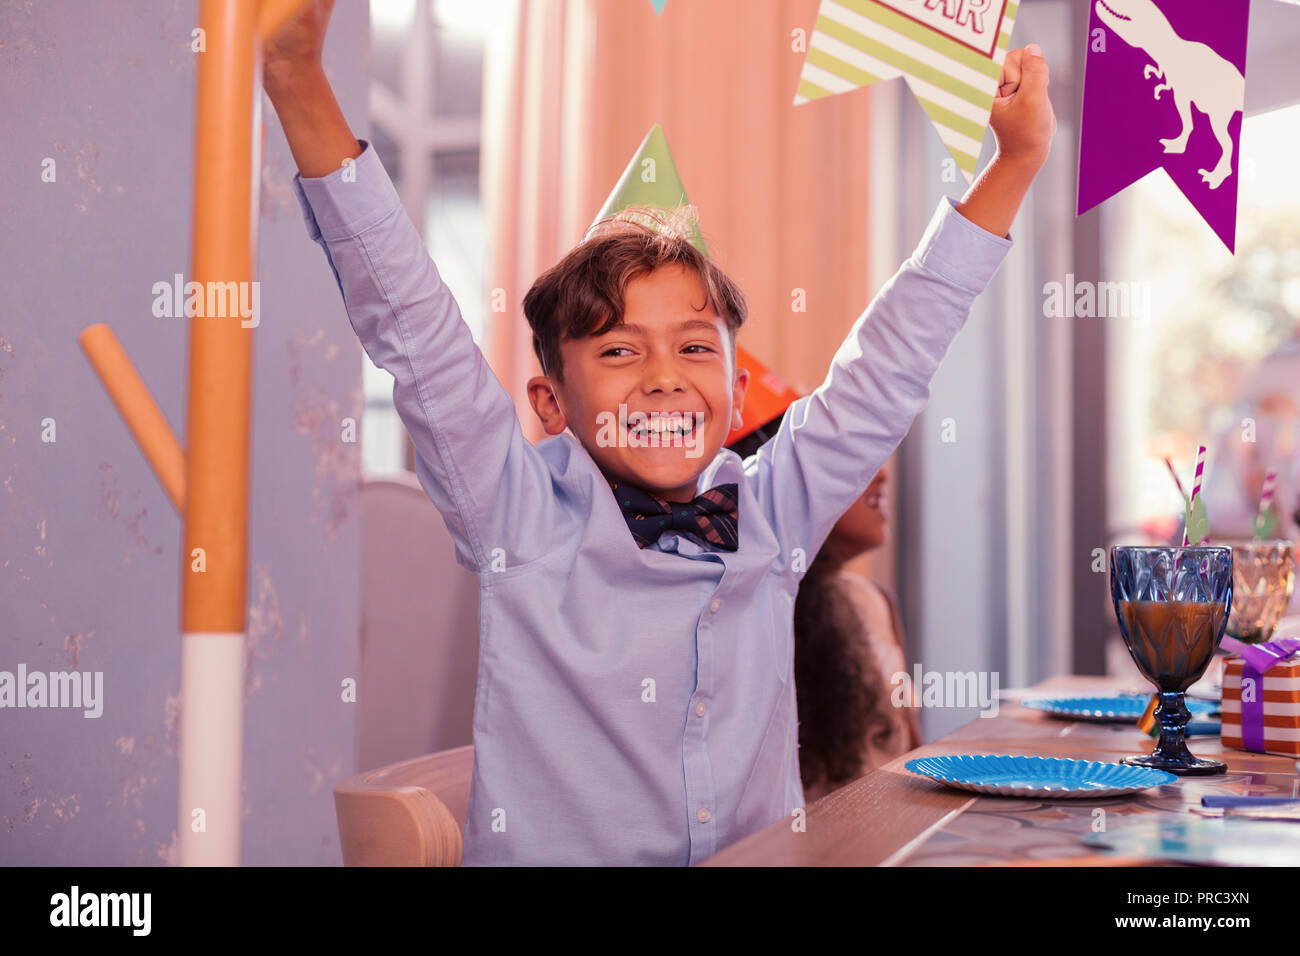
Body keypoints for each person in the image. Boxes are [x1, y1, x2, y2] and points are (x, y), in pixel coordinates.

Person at [263, 0, 1053, 865]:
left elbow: (891, 360)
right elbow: (411, 324)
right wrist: (298, 77)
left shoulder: (772, 512)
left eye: (691, 347)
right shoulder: (515, 514)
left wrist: (1013, 163)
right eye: (616, 348)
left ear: (732, 384)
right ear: (551, 401)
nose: (664, 374)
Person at [729, 416, 918, 803]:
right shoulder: (739, 615)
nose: (881, 474)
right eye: (847, 458)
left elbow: (916, 761)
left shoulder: (873, 602)